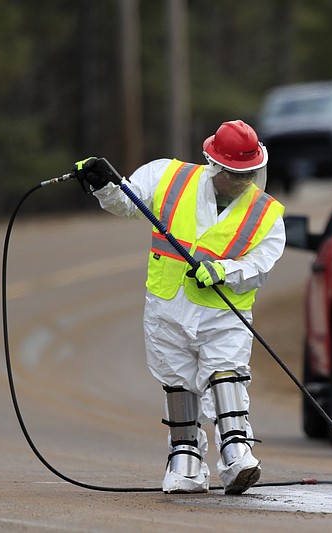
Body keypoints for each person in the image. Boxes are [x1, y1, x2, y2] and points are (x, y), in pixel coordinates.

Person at [73, 120, 285, 495]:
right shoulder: (168, 177)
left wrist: (222, 271)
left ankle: (238, 455)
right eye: (236, 174)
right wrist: (103, 184)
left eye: (249, 173)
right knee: (178, 381)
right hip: (168, 305)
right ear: (214, 165)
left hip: (224, 312)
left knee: (226, 373)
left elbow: (260, 265)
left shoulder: (266, 214)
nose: (243, 181)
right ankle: (185, 461)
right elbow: (128, 201)